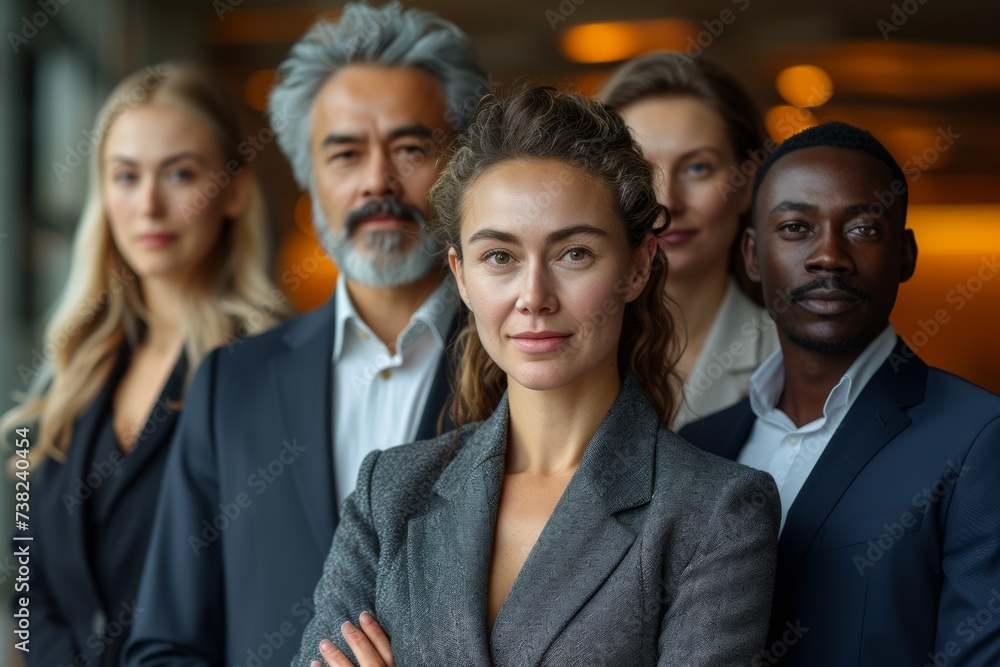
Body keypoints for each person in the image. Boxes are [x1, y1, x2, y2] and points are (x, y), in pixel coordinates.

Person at [293, 85, 780, 667]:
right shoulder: (390, 493)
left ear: (638, 265)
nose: (534, 297)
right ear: (461, 275)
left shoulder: (717, 511)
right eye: (500, 257)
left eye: (574, 253)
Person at [123, 4, 489, 666]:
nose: (377, 181)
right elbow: (164, 644)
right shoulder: (230, 384)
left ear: (460, 164)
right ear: (307, 175)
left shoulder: (524, 371)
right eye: (345, 153)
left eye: (410, 148)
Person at [680, 121, 1000, 665]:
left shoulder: (979, 441)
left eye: (863, 228)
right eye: (795, 227)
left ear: (905, 255)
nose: (829, 256)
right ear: (753, 255)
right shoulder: (698, 445)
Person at [1, 63, 285, 667]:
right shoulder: (70, 373)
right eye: (126, 176)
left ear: (234, 191)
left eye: (180, 174)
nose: (149, 206)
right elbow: (27, 581)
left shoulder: (271, 373)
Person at [601, 52, 779, 430]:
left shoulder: (792, 360)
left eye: (698, 167)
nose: (667, 201)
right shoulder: (555, 345)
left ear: (747, 184)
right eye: (639, 169)